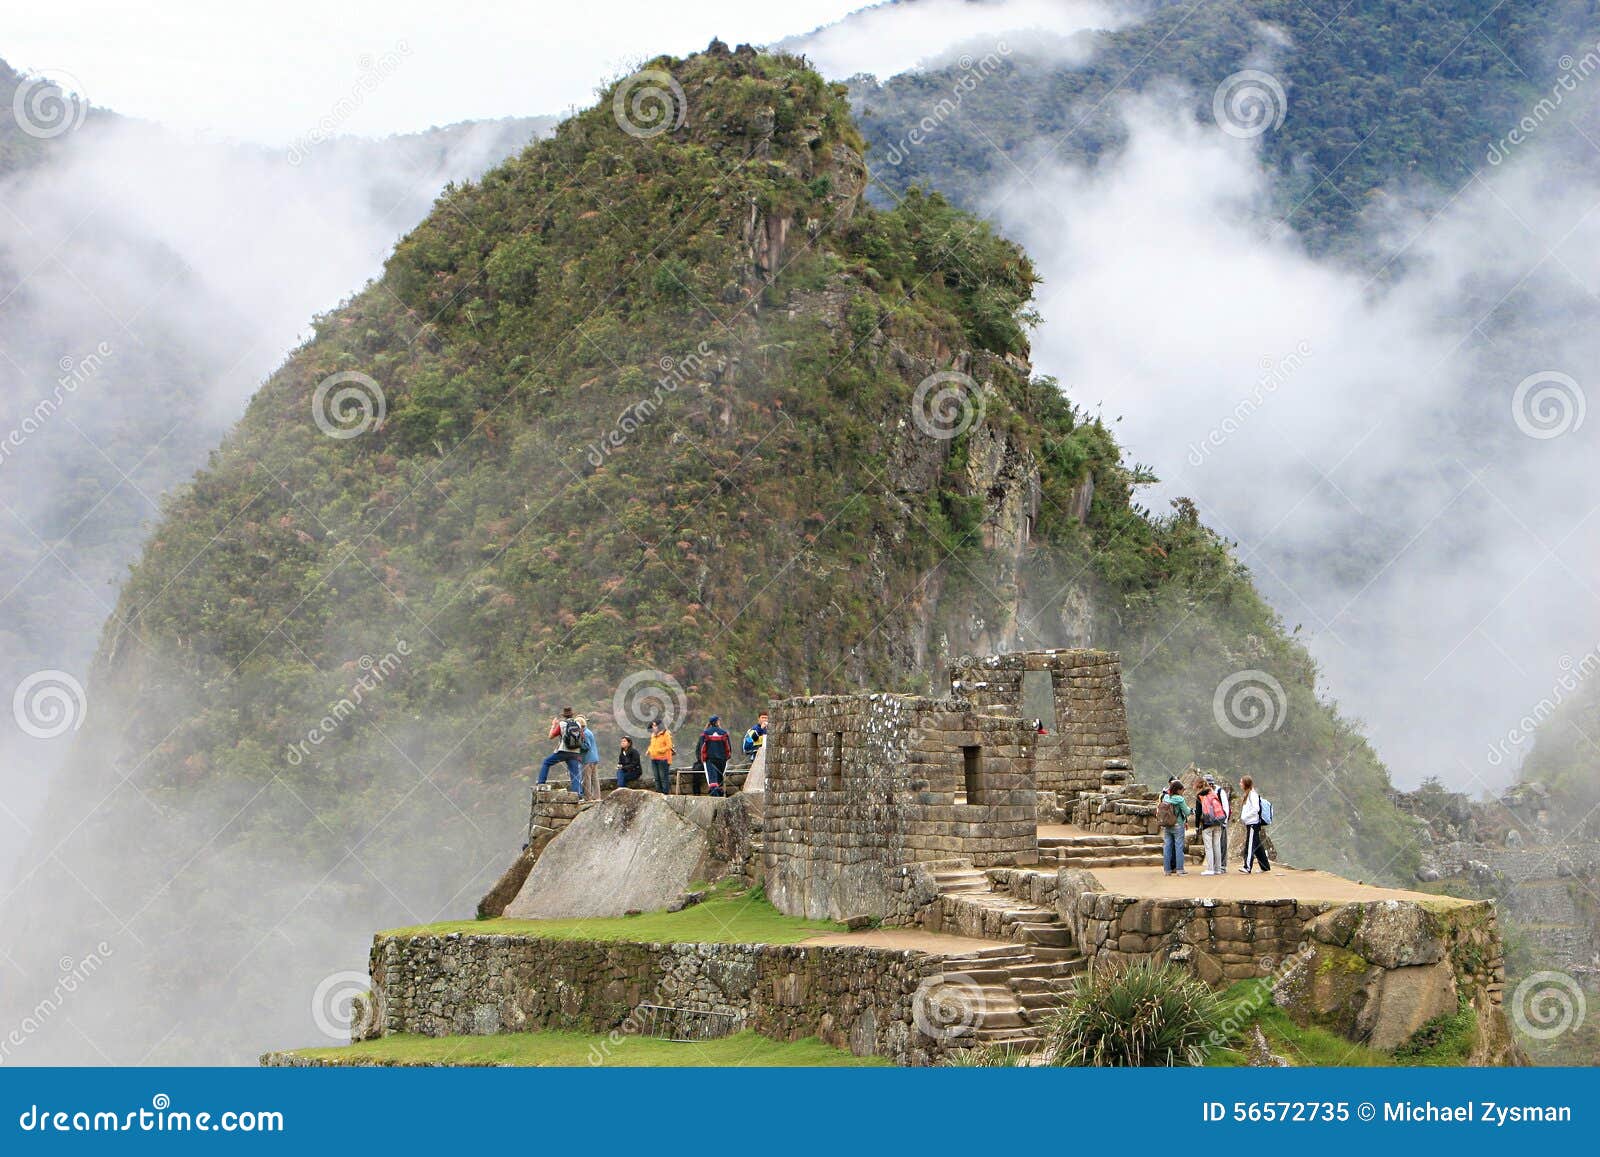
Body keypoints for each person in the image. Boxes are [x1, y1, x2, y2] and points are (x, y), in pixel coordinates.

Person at [538, 706, 584, 795]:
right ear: (572, 715)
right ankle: (577, 795)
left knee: (546, 762)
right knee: (575, 775)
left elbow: (550, 736)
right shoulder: (578, 724)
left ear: (564, 715)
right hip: (575, 752)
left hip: (563, 751)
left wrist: (553, 725)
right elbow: (582, 738)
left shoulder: (562, 724)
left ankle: (541, 783)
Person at [1156, 778, 1190, 876]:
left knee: (1167, 847)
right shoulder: (1180, 799)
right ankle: (1179, 869)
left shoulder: (1166, 797)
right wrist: (1191, 810)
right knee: (1179, 847)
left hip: (1167, 825)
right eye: (1182, 790)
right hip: (1178, 824)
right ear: (1178, 790)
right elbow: (1186, 812)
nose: (1183, 791)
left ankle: (1167, 870)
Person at [1239, 775, 1271, 873]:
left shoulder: (1252, 795)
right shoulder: (1248, 794)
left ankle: (1247, 866)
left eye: (1241, 782)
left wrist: (1245, 817)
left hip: (1253, 823)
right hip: (1250, 823)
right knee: (1257, 845)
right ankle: (1265, 866)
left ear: (1245, 784)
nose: (1239, 784)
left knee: (1250, 845)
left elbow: (1256, 809)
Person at [698, 715, 733, 797]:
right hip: (722, 760)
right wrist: (726, 758)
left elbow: (702, 748)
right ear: (717, 722)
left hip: (710, 760)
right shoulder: (724, 733)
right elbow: (728, 748)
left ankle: (715, 798)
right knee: (719, 779)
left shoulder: (705, 734)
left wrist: (704, 759)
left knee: (712, 780)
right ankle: (719, 795)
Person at [1197, 782, 1226, 876]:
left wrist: (1197, 826)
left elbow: (1198, 812)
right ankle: (1218, 869)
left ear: (1199, 787)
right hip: (1218, 822)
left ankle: (1210, 869)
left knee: (1209, 847)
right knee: (1217, 845)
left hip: (1207, 824)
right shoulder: (1213, 793)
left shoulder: (1200, 796)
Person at [1204, 774, 1231, 872]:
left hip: (1220, 821)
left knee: (1222, 844)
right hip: (1210, 822)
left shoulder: (1220, 791)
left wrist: (1224, 821)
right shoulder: (1205, 793)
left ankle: (1222, 866)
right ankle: (1215, 866)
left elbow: (1225, 807)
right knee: (1214, 845)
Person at [647, 720, 674, 794]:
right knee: (656, 778)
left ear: (659, 726)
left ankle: (665, 793)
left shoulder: (665, 734)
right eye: (652, 726)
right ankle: (658, 793)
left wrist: (660, 750)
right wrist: (649, 750)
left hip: (663, 759)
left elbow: (669, 746)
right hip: (653, 758)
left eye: (655, 725)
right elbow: (652, 745)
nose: (653, 727)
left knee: (663, 778)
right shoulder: (653, 735)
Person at [578, 716, 600, 799]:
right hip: (594, 758)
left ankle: (588, 797)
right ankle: (597, 797)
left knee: (587, 779)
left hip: (587, 759)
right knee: (594, 779)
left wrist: (578, 744)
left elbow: (587, 746)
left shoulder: (585, 733)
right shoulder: (588, 731)